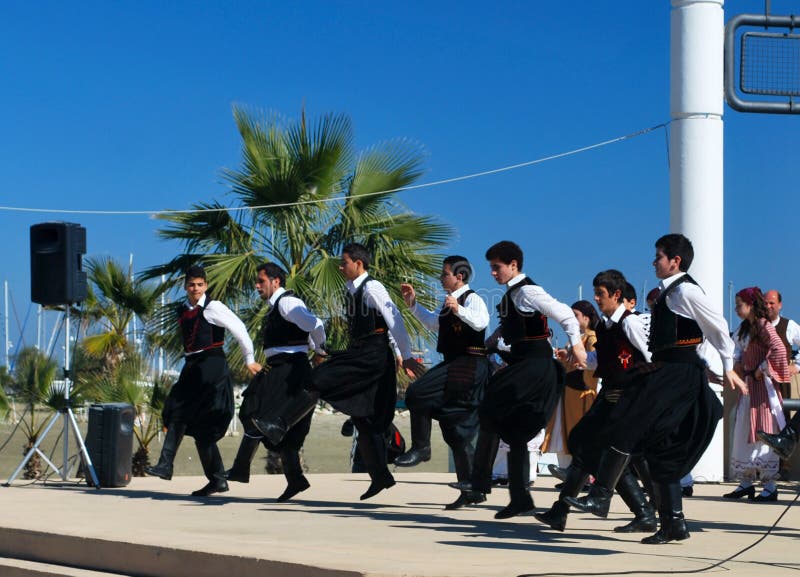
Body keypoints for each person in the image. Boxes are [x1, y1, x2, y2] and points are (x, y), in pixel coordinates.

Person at [566, 234, 747, 544]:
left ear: (674, 261)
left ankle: (600, 496)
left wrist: (727, 366)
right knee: (660, 452)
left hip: (677, 374)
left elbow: (716, 327)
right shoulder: (667, 295)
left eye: (658, 256)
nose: (654, 262)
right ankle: (673, 524)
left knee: (625, 426)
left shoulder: (685, 291)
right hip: (668, 371)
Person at [451, 241, 587, 519]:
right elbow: (510, 327)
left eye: (496, 267)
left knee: (489, 409)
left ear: (513, 265)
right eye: (490, 267)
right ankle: (520, 498)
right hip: (524, 365)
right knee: (515, 434)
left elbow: (566, 317)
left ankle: (479, 483)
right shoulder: (513, 294)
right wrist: (487, 344)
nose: (492, 273)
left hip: (535, 368)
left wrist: (577, 345)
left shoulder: (528, 290)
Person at [536, 270, 656, 534]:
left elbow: (652, 358)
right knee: (588, 448)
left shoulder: (632, 323)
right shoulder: (605, 326)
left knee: (598, 452)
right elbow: (597, 362)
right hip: (609, 396)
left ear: (616, 295)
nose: (596, 298)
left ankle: (569, 510)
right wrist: (575, 350)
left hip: (627, 399)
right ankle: (641, 513)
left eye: (600, 294)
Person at [312, 243, 425, 500]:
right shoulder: (350, 290)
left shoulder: (372, 287)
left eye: (344, 263)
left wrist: (405, 356)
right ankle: (380, 477)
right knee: (365, 420)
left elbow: (394, 320)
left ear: (359, 264)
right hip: (361, 352)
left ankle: (279, 424)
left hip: (372, 356)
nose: (340, 267)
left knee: (317, 379)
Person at [145, 265, 261, 496]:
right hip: (191, 367)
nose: (195, 288)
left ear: (206, 286)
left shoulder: (213, 307)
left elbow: (239, 328)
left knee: (200, 424)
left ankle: (176, 467)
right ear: (185, 286)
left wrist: (249, 359)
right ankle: (209, 477)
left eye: (199, 285)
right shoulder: (183, 309)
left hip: (212, 366)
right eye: (191, 285)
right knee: (178, 412)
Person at [395, 256, 491, 510]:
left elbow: (482, 322)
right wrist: (413, 304)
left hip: (468, 364)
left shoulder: (472, 299)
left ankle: (421, 448)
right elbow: (433, 323)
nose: (441, 278)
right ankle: (471, 490)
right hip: (454, 363)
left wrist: (459, 309)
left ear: (459, 276)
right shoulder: (449, 303)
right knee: (455, 431)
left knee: (416, 393)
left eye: (445, 274)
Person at [225, 263, 326, 502]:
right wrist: (314, 346)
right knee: (258, 416)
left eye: (261, 281)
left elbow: (316, 324)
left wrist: (320, 350)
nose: (257, 286)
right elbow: (305, 333)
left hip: (290, 370)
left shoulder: (288, 303)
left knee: (261, 417)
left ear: (276, 282)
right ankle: (295, 480)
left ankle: (241, 468)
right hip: (279, 368)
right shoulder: (276, 307)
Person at [725, 287, 790, 501]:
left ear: (750, 305)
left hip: (763, 390)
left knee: (764, 430)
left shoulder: (763, 325)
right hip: (749, 388)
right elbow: (734, 349)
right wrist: (738, 366)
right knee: (745, 431)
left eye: (739, 304)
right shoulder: (744, 328)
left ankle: (770, 486)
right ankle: (746, 482)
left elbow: (779, 349)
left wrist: (761, 369)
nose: (736, 309)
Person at [542, 300, 600, 470]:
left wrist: (587, 383)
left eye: (576, 315)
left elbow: (592, 361)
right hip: (569, 390)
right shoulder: (576, 338)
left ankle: (584, 473)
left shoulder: (591, 337)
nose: (573, 319)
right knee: (567, 431)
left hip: (581, 391)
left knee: (578, 431)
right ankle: (570, 471)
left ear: (587, 318)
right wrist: (564, 355)